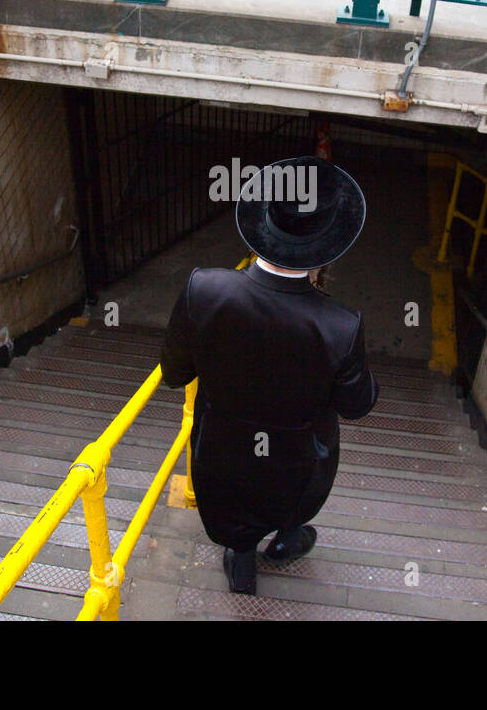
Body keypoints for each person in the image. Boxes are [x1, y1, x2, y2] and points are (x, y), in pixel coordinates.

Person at [159, 156, 379, 595]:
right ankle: (287, 540)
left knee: (234, 505)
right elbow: (357, 406)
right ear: (328, 246)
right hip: (298, 457)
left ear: (263, 223)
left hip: (221, 449)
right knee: (289, 497)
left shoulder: (203, 289)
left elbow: (174, 373)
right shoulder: (341, 326)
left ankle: (242, 564)